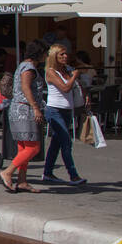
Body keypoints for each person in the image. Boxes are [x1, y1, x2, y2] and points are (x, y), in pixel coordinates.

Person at [1, 40, 48, 194]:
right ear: (39, 53)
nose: (46, 56)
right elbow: (26, 87)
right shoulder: (29, 68)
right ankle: (8, 172)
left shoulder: (23, 65)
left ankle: (22, 180)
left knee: (24, 147)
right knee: (33, 147)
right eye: (45, 53)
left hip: (18, 108)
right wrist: (35, 107)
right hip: (24, 109)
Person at [42, 44, 86, 185]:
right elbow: (66, 87)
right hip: (54, 110)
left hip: (67, 110)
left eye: (66, 54)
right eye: (61, 54)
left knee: (56, 143)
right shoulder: (51, 72)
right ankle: (73, 175)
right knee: (66, 142)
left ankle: (47, 173)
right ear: (54, 56)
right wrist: (74, 77)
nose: (65, 56)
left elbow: (75, 86)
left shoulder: (67, 70)